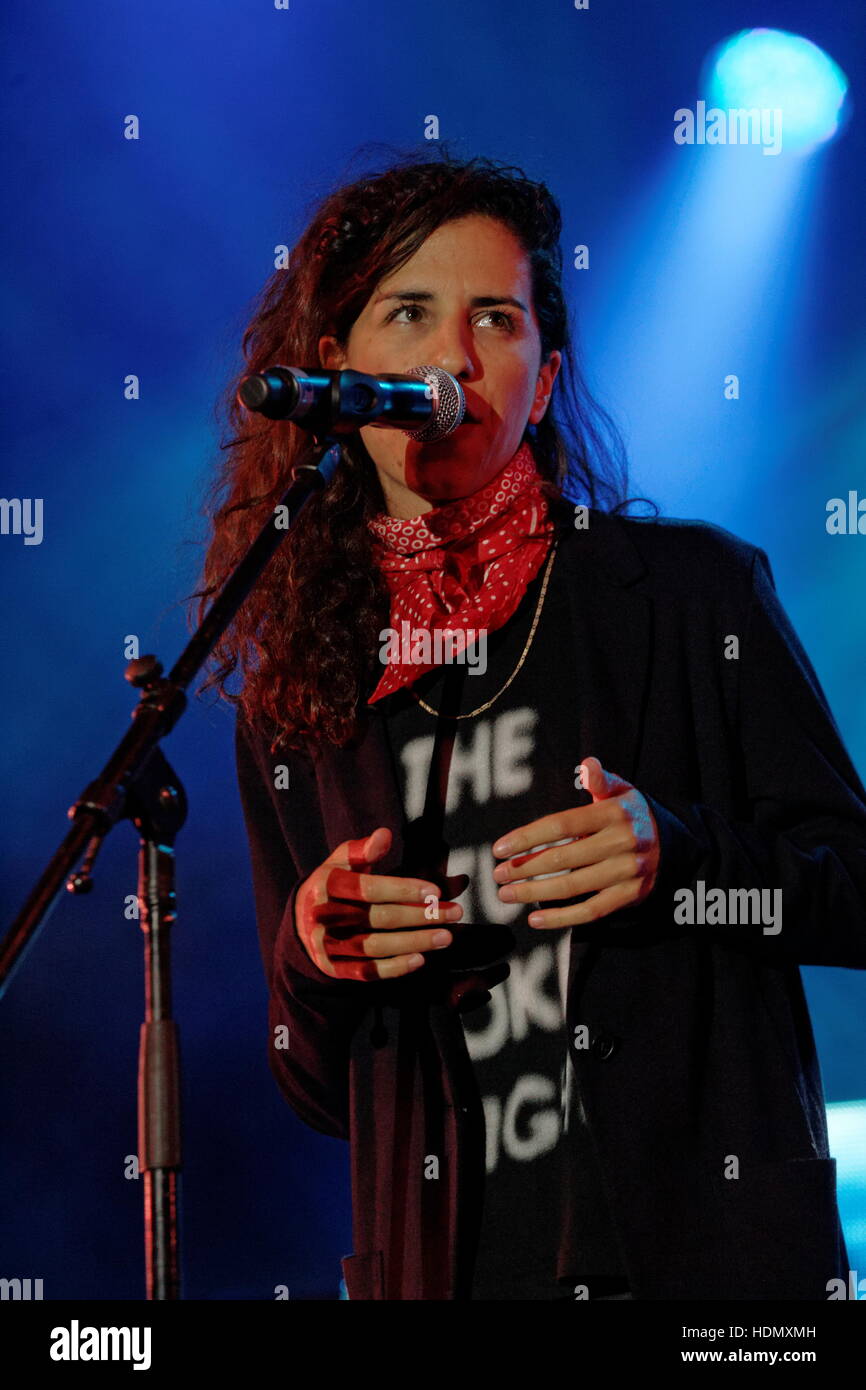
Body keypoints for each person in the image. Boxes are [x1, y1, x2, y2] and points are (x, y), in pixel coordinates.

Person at [195, 149, 866, 1301]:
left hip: (704, 1274)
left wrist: (685, 858)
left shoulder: (688, 594)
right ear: (336, 367)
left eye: (493, 320)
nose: (451, 358)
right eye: (407, 313)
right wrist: (314, 961)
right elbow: (313, 1091)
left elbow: (853, 887)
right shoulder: (296, 687)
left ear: (543, 382)